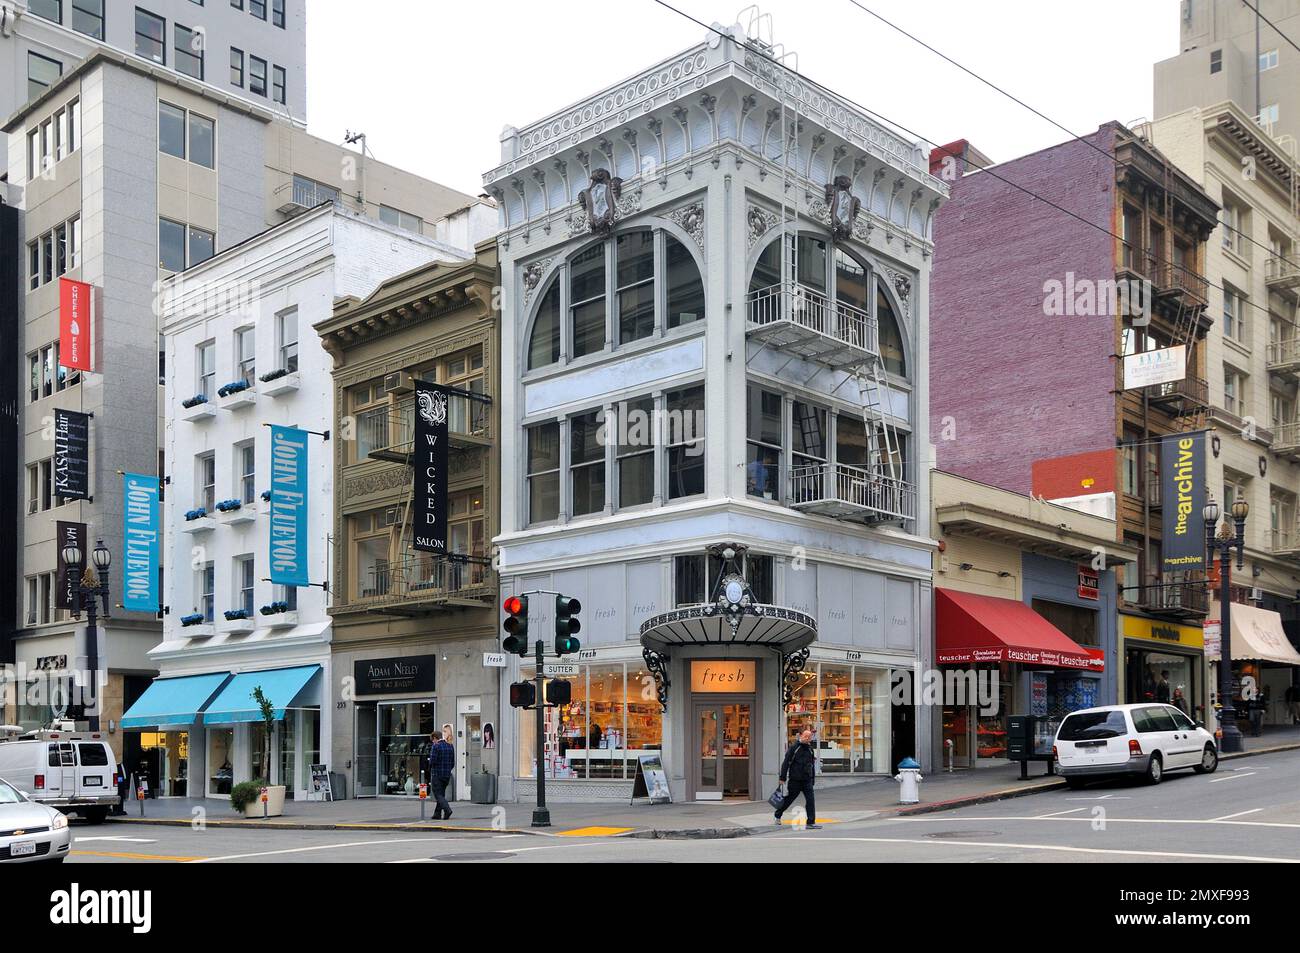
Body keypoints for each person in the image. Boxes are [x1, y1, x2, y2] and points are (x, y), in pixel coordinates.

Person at [774, 727, 820, 830]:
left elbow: (811, 765)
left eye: (809, 737)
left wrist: (812, 779)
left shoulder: (810, 749)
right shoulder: (794, 748)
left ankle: (811, 822)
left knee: (810, 800)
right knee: (789, 799)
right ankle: (778, 814)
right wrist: (782, 777)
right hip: (795, 780)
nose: (807, 738)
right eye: (805, 736)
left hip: (807, 780)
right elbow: (786, 763)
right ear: (801, 736)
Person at [426, 730, 455, 820]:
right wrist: (448, 770)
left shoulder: (436, 746)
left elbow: (432, 761)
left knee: (437, 794)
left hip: (437, 774)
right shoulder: (450, 746)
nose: (433, 742)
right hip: (446, 774)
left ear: (435, 738)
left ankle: (447, 810)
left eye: (433, 740)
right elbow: (452, 762)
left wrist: (429, 768)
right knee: (441, 794)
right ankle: (437, 814)